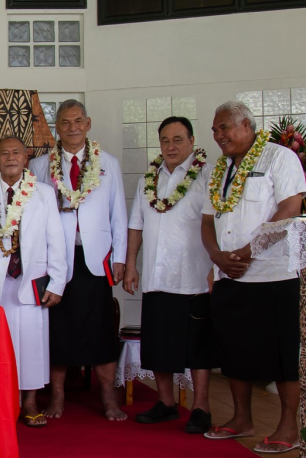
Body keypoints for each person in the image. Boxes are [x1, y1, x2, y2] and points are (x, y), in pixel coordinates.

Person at [201, 101, 305, 454]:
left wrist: (247, 253)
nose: (218, 135)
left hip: (274, 274)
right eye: (215, 130)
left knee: (282, 356)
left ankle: (288, 428)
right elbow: (206, 220)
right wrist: (217, 258)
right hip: (230, 275)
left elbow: (289, 209)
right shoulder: (220, 169)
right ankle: (241, 419)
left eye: (224, 127)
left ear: (246, 125)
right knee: (234, 351)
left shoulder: (279, 158)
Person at [29, 99, 129, 421]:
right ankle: (57, 398)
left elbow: (118, 213)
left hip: (96, 257)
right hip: (56, 260)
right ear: (56, 128)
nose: (72, 128)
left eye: (77, 121)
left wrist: (120, 258)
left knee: (100, 332)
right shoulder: (40, 166)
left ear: (88, 123)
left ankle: (108, 398)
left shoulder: (108, 163)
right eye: (64, 123)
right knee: (58, 332)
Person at [0, 136, 67, 428]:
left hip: (31, 280)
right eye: (5, 153)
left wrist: (57, 283)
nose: (10, 157)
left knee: (32, 343)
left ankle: (31, 401)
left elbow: (56, 240)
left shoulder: (44, 194)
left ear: (25, 158)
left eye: (16, 153)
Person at [123, 116, 217, 434]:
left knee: (197, 348)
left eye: (178, 139)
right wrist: (132, 264)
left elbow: (216, 224)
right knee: (160, 344)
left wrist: (215, 267)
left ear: (192, 140)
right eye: (165, 140)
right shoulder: (149, 178)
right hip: (156, 277)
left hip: (194, 276)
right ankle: (166, 403)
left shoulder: (207, 176)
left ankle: (201, 407)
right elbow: (135, 224)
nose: (171, 146)